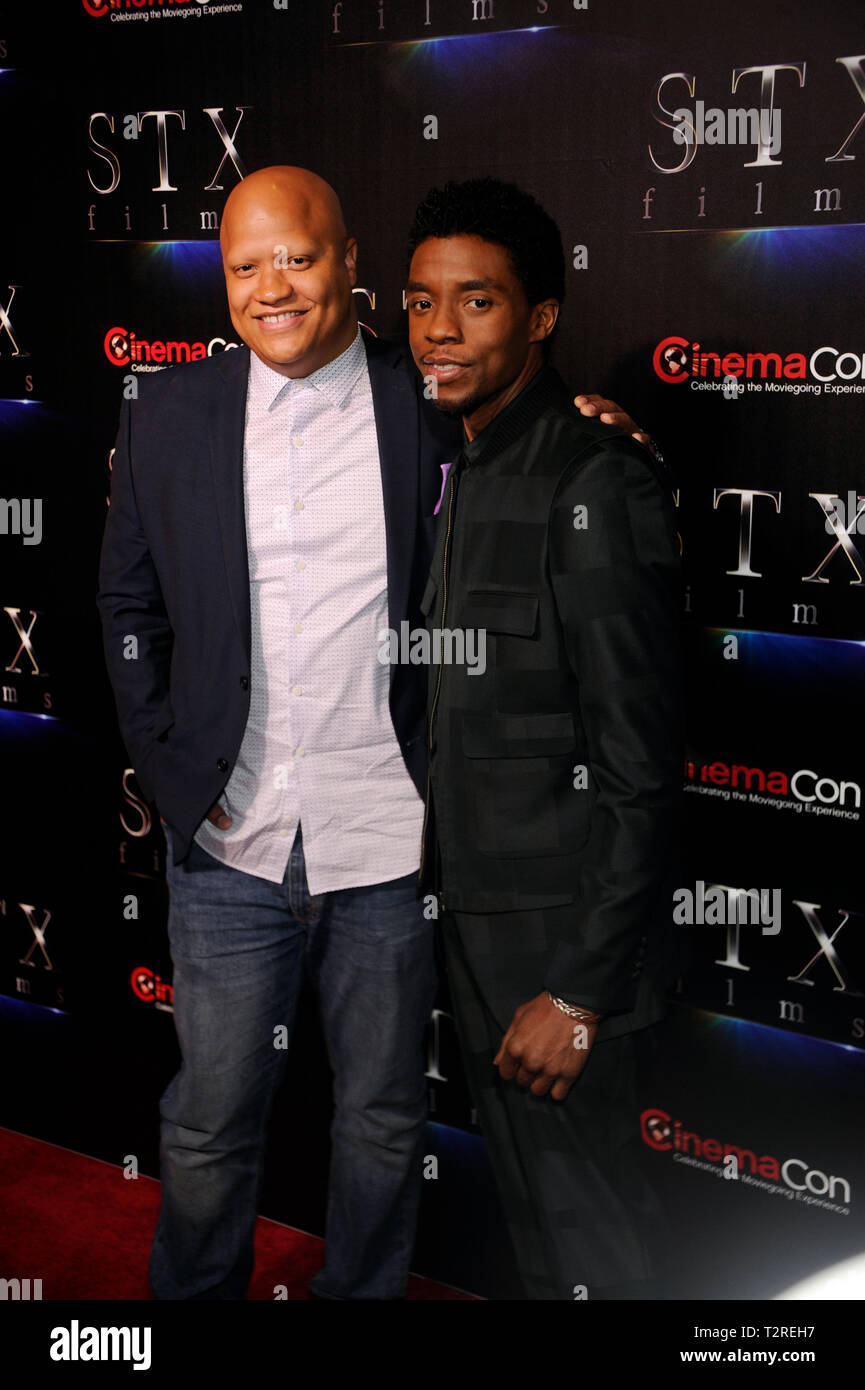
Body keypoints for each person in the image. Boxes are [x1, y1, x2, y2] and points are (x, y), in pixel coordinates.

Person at [96, 164, 645, 1301]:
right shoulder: (167, 408)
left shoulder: (427, 398)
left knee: (386, 1124)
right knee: (203, 1127)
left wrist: (587, 411)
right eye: (245, 267)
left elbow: (531, 434)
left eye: (296, 257)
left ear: (351, 265)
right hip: (229, 841)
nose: (272, 287)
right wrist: (173, 770)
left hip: (392, 847)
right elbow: (127, 604)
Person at [408, 177, 682, 1301]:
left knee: (599, 1249)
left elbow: (641, 763)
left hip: (560, 965)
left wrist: (575, 992)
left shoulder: (594, 478)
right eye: (421, 301)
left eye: (474, 302)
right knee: (541, 1242)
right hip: (475, 936)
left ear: (540, 317)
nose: (438, 329)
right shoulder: (466, 462)